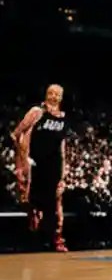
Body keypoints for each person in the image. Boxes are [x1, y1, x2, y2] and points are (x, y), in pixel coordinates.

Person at [11, 84, 69, 252]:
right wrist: (22, 159)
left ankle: (58, 238)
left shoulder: (63, 118)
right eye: (51, 93)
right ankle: (34, 221)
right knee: (28, 199)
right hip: (34, 163)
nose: (53, 97)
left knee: (57, 200)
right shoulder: (37, 112)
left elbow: (62, 148)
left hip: (53, 165)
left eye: (57, 94)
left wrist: (63, 173)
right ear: (45, 94)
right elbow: (16, 134)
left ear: (61, 98)